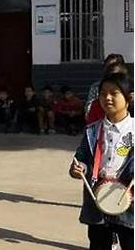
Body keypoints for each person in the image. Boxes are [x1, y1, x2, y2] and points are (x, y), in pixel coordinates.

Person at [69, 73, 133, 250]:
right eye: (103, 93)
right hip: (98, 201)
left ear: (129, 97)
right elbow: (81, 158)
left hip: (130, 204)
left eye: (114, 93)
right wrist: (79, 167)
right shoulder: (93, 130)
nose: (107, 98)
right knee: (98, 244)